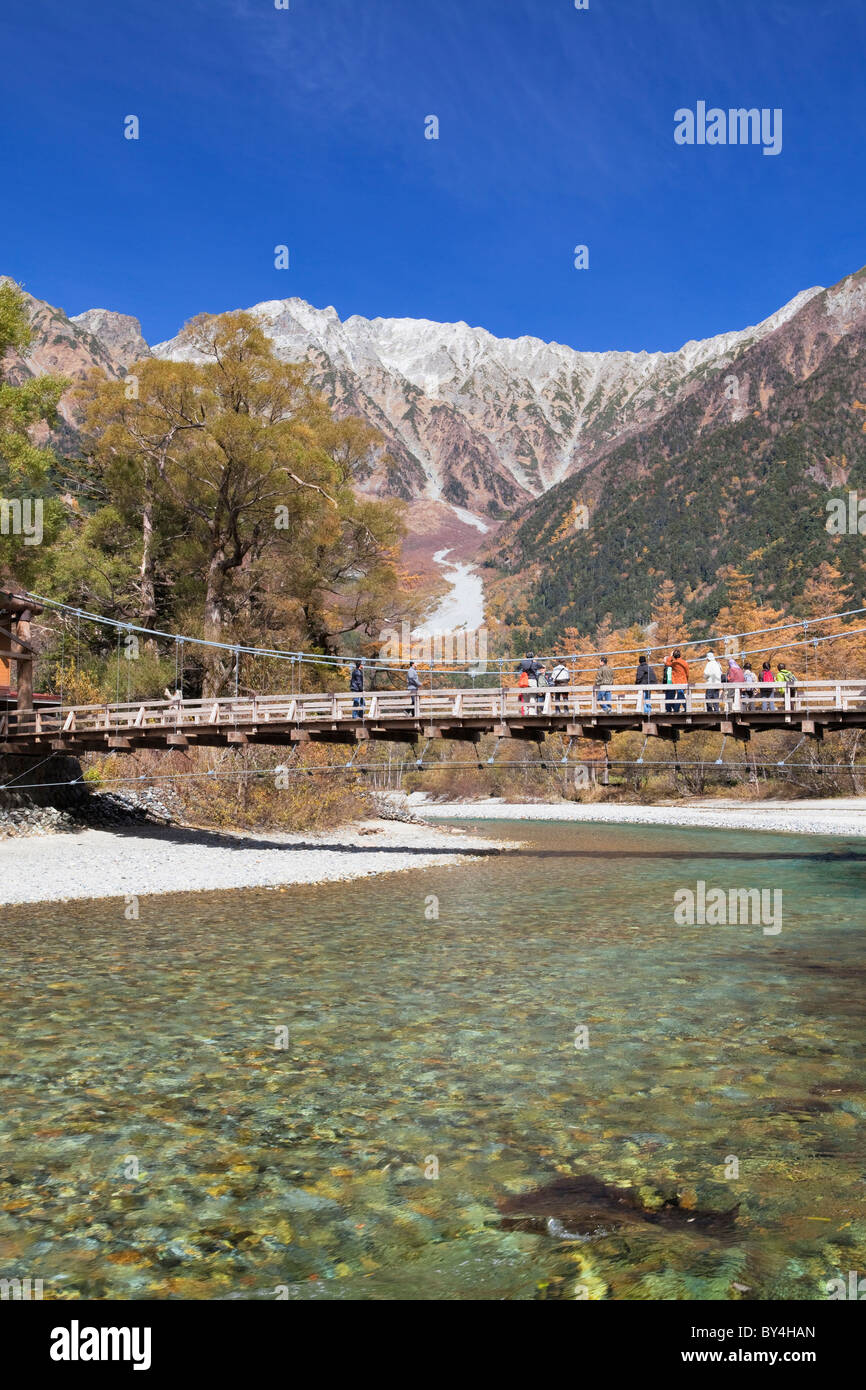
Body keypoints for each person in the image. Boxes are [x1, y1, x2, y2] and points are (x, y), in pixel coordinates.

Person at [669, 649, 689, 713]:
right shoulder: (684, 662)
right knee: (680, 695)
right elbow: (687, 672)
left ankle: (683, 708)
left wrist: (671, 656)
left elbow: (667, 663)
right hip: (683, 680)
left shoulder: (673, 663)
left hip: (677, 681)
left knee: (680, 695)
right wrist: (686, 679)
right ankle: (677, 709)